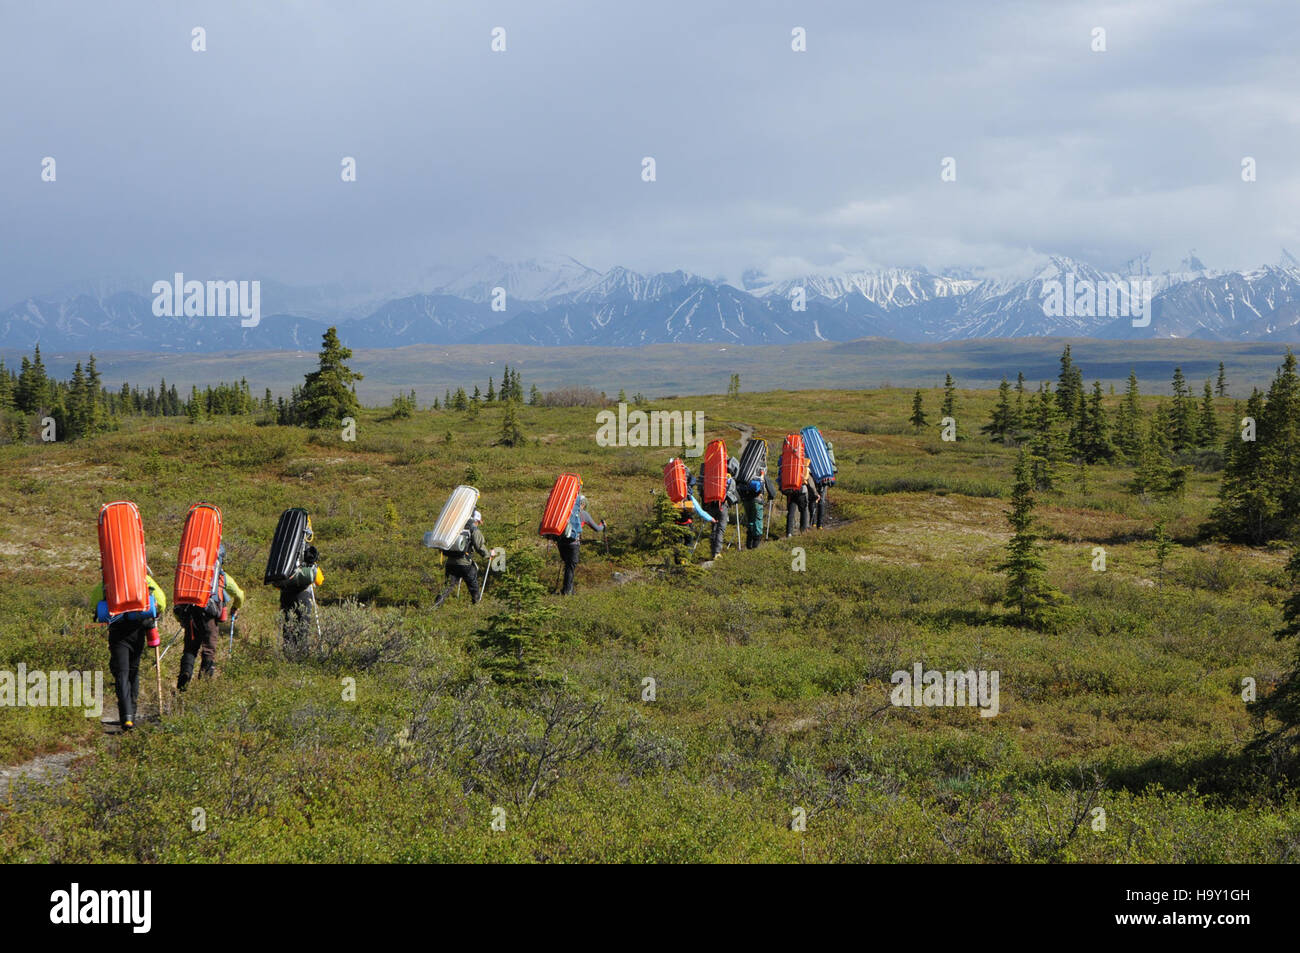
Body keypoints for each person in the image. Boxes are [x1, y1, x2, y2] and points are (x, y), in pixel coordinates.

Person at [91, 570, 166, 730]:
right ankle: (132, 710)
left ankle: (126, 717)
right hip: (137, 631)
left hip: (117, 632)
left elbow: (94, 604)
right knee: (133, 671)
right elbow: (161, 599)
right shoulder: (143, 577)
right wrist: (157, 611)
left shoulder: (109, 579)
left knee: (121, 673)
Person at [175, 569, 244, 691]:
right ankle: (204, 687)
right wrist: (235, 607)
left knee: (190, 649)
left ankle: (184, 679)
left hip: (190, 615)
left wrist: (181, 620)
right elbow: (239, 595)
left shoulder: (190, 572)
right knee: (208, 650)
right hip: (209, 617)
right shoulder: (221, 575)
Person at [435, 509, 499, 607]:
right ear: (476, 520)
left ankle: (436, 606)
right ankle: (476, 606)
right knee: (473, 586)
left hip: (450, 563)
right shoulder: (473, 529)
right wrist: (488, 555)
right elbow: (479, 546)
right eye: (479, 522)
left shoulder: (455, 526)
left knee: (447, 587)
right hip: (465, 563)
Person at [556, 493, 605, 595]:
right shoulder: (583, 514)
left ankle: (568, 588)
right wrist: (603, 525)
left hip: (561, 543)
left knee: (568, 566)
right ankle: (567, 591)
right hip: (573, 544)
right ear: (582, 504)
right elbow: (597, 528)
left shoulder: (565, 512)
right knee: (570, 567)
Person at [278, 544, 323, 647]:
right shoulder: (308, 562)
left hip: (285, 595)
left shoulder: (285, 559)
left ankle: (288, 651)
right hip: (303, 596)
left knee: (288, 623)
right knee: (303, 624)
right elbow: (319, 581)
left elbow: (277, 584)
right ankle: (301, 652)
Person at [700, 459, 736, 559]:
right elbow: (732, 490)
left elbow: (702, 490)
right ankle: (717, 553)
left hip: (711, 505)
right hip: (722, 506)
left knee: (714, 528)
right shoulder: (727, 476)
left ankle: (713, 551)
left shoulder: (710, 475)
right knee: (720, 529)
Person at [739, 463, 777, 549]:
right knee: (758, 521)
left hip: (746, 500)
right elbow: (772, 492)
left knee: (750, 521)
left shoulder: (746, 472)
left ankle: (749, 544)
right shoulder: (761, 474)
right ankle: (755, 546)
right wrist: (771, 496)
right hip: (757, 500)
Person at [811, 439, 836, 529]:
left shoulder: (812, 450)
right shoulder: (825, 449)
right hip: (825, 479)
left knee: (813, 498)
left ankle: (812, 522)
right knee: (822, 500)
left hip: (814, 477)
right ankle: (820, 525)